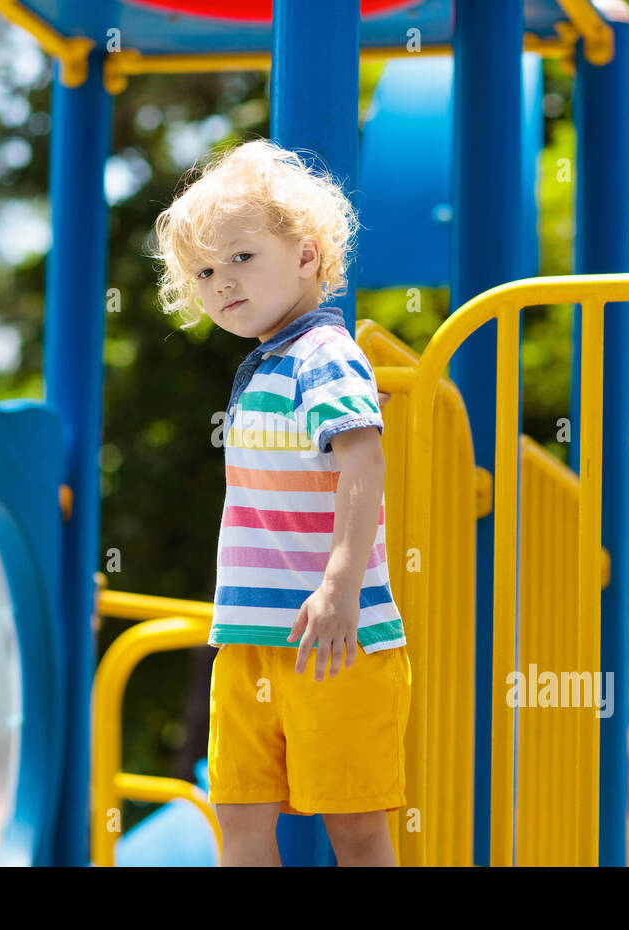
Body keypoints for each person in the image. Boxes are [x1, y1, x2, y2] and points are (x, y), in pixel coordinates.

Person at [151, 139, 409, 866]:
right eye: (204, 271)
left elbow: (365, 459)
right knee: (237, 812)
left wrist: (340, 586)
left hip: (332, 640)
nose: (222, 281)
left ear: (304, 255)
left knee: (355, 828)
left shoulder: (321, 353)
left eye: (241, 257)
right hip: (248, 638)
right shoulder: (267, 363)